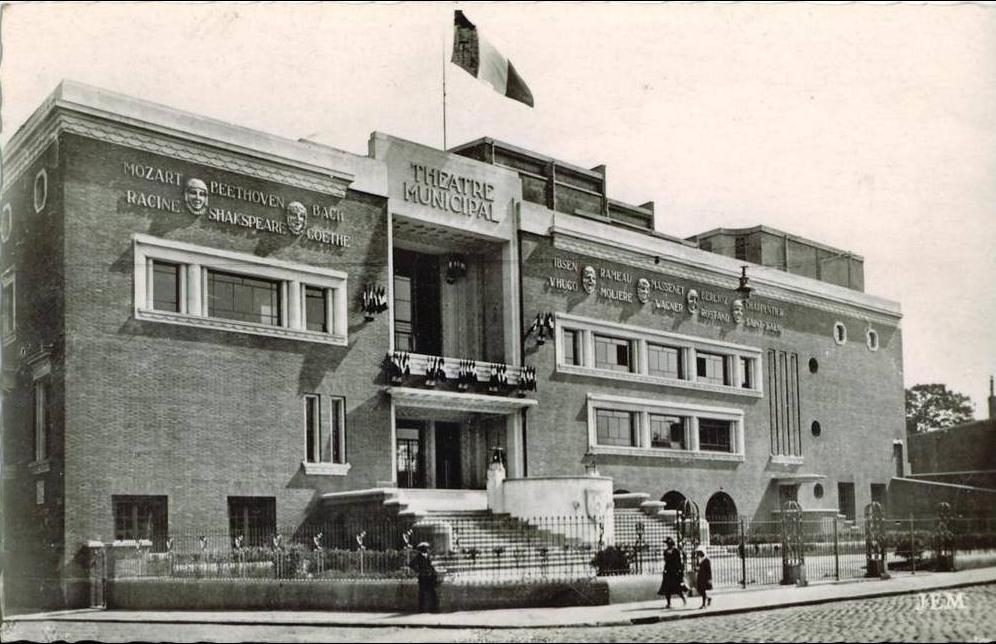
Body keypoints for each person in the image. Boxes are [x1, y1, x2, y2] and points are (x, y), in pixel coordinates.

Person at [408, 541, 439, 613]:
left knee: (432, 592)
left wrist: (433, 572)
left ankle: (433, 608)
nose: (428, 549)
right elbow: (411, 564)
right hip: (423, 577)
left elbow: (430, 566)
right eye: (426, 548)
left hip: (429, 577)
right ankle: (422, 608)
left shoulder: (427, 556)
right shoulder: (418, 557)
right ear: (423, 549)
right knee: (422, 593)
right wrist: (419, 571)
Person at [657, 536, 686, 608]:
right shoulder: (666, 551)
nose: (668, 545)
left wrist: (679, 570)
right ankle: (669, 603)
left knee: (678, 588)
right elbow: (666, 561)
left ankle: (684, 599)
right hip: (668, 572)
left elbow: (678, 561)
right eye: (667, 543)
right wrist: (665, 570)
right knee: (667, 589)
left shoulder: (676, 551)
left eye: (669, 543)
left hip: (675, 572)